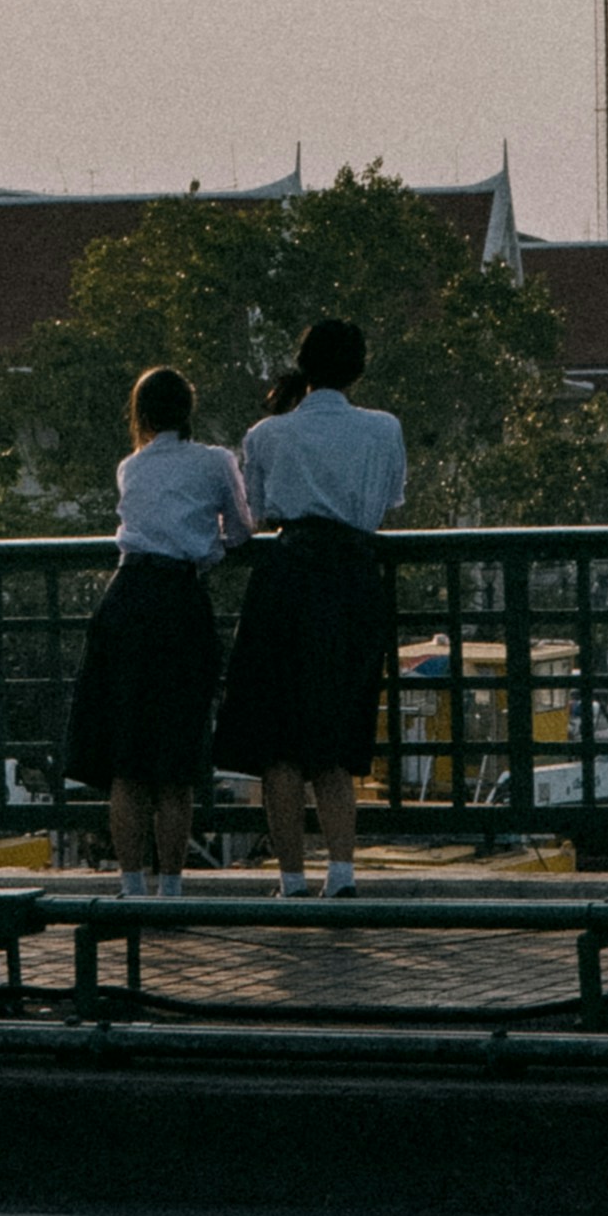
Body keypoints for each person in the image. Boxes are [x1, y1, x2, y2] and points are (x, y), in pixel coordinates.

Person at [212, 317, 407, 896]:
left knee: (279, 739)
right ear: (358, 369)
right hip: (353, 576)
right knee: (337, 732)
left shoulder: (266, 434)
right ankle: (342, 872)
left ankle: (291, 877)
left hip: (287, 575)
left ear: (304, 365)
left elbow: (263, 509)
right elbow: (389, 498)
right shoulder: (383, 429)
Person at [63, 366, 251, 896]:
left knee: (128, 760)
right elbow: (240, 530)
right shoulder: (216, 461)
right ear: (189, 411)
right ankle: (171, 885)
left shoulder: (131, 467)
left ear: (140, 414)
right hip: (179, 602)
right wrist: (209, 546)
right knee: (176, 758)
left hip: (125, 600)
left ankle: (130, 884)